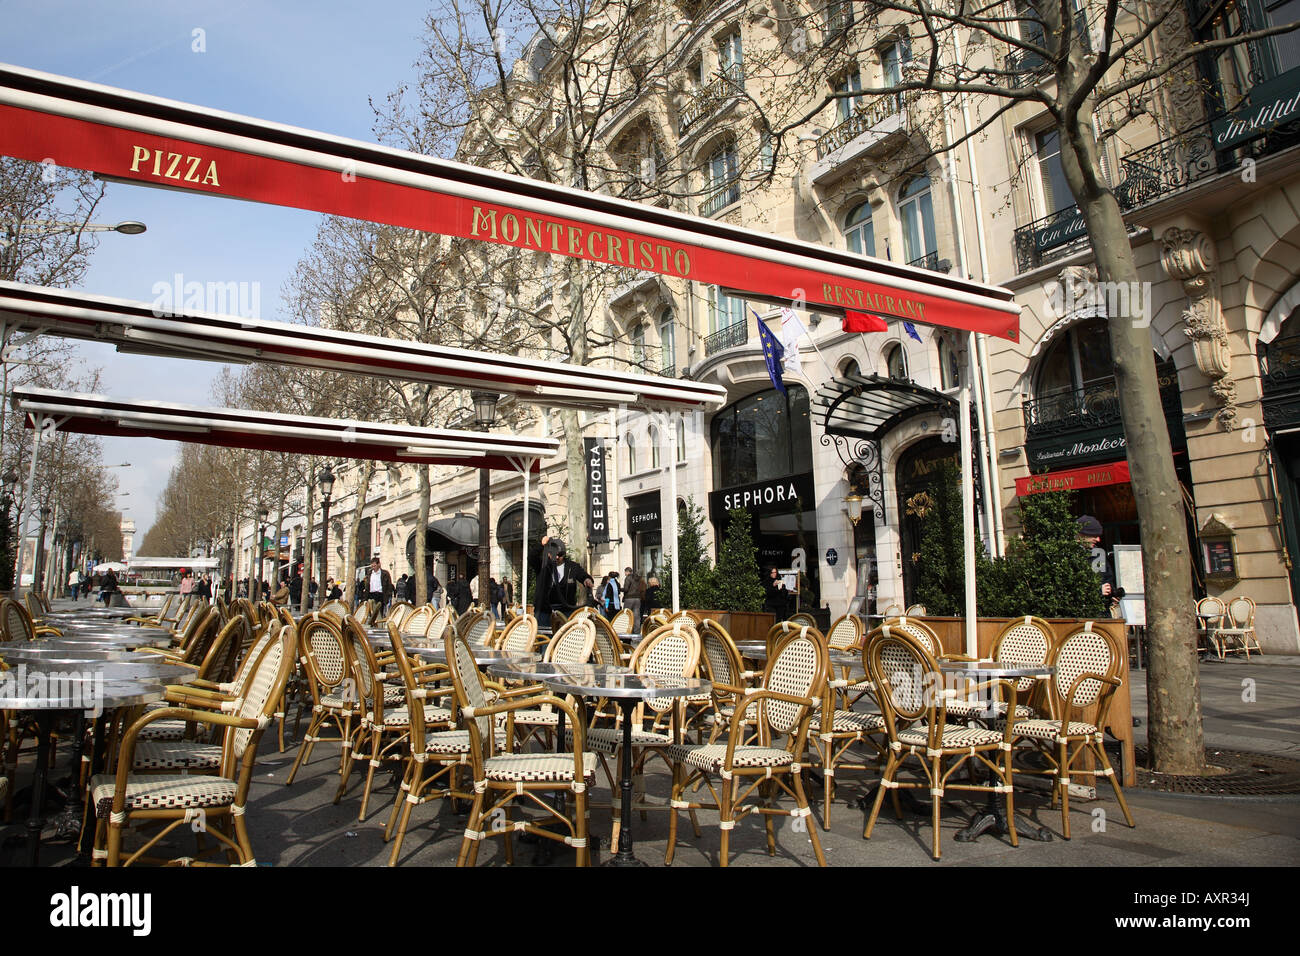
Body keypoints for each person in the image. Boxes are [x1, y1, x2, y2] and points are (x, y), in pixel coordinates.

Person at [533, 536, 593, 630]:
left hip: (566, 610)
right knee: (546, 641)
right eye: (553, 554)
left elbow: (582, 574)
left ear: (564, 554)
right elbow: (531, 557)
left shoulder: (572, 567)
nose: (556, 557)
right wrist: (541, 545)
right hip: (546, 611)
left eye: (559, 555)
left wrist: (587, 579)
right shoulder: (543, 566)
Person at [1077, 515, 1119, 610]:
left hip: (1101, 609)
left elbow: (1104, 578)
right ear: (1081, 535)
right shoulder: (1067, 554)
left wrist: (1111, 591)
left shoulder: (1097, 553)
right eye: (1094, 536)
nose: (1098, 540)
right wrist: (1096, 591)